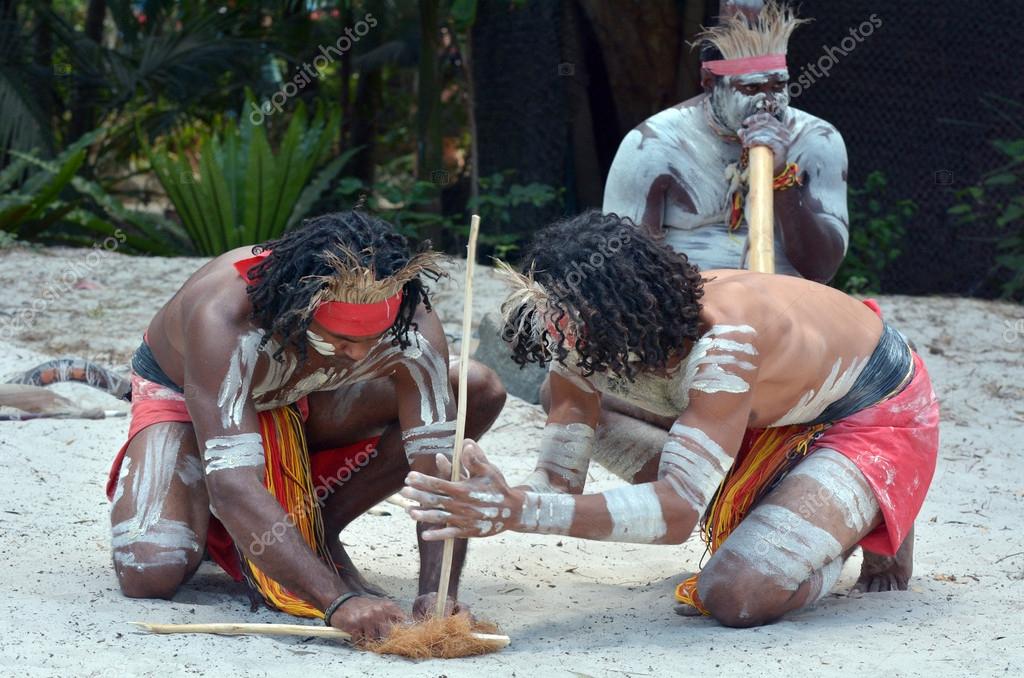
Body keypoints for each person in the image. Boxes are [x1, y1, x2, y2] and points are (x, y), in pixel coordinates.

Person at [402, 210, 939, 628]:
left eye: (569, 327)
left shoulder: (727, 341)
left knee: (735, 595)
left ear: (620, 315)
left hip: (868, 412)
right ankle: (789, 504)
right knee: (558, 392)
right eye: (551, 324)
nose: (558, 342)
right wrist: (493, 495)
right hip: (761, 415)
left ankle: (862, 513)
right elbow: (558, 484)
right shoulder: (577, 333)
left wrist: (517, 511)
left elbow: (679, 514)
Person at [106, 211, 506, 641]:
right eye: (343, 341)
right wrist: (338, 602)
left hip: (303, 394)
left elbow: (436, 469)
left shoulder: (409, 317)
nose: (358, 356)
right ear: (301, 309)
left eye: (373, 341)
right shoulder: (226, 314)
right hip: (191, 398)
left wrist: (437, 593)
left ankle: (320, 527)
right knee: (151, 567)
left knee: (472, 388)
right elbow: (232, 483)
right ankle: (211, 514)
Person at [602, 0, 848, 282]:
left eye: (778, 86)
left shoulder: (816, 140)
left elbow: (822, 271)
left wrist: (781, 178)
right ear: (709, 83)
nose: (767, 103)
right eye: (751, 88)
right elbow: (626, 272)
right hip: (686, 309)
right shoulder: (653, 145)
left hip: (788, 311)